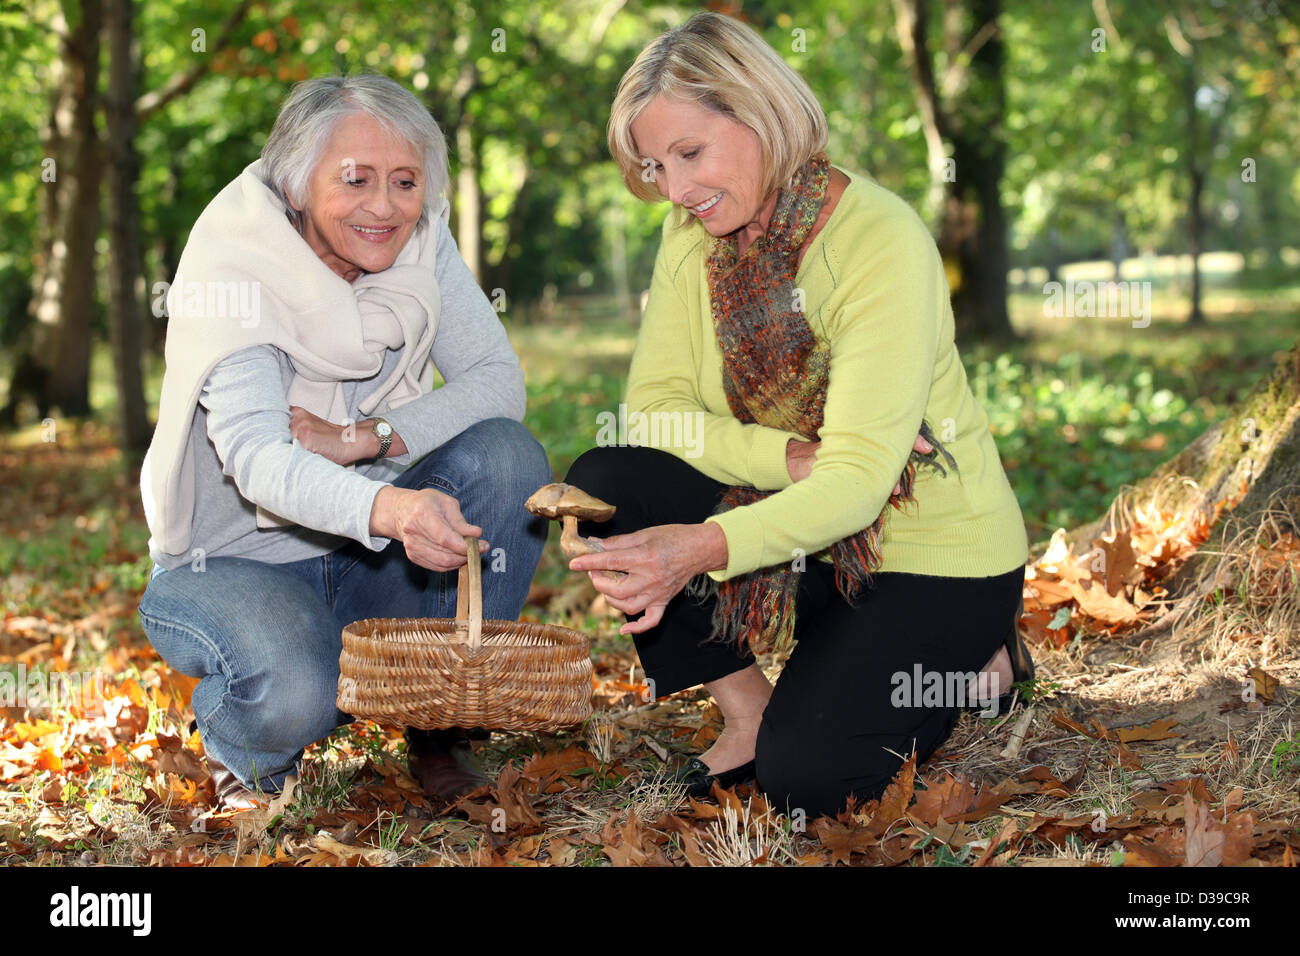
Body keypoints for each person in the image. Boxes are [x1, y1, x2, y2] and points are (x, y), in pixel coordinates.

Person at [565, 12, 1034, 817]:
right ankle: (748, 712)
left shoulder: (879, 237)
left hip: (931, 552)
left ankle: (988, 669)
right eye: (655, 165)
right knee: (610, 481)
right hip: (805, 536)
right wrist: (787, 460)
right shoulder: (692, 237)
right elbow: (651, 416)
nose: (675, 190)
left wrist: (704, 547)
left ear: (761, 114)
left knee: (813, 780)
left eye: (690, 154)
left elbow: (857, 484)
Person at [137, 75, 552, 809]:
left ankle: (436, 723)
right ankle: (247, 743)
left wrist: (369, 439)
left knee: (506, 454)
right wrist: (393, 509)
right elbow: (262, 462)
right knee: (302, 690)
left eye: (404, 181)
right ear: (297, 183)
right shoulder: (236, 268)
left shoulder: (421, 241)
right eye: (355, 179)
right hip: (233, 564)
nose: (385, 206)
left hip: (365, 557)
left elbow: (496, 380)